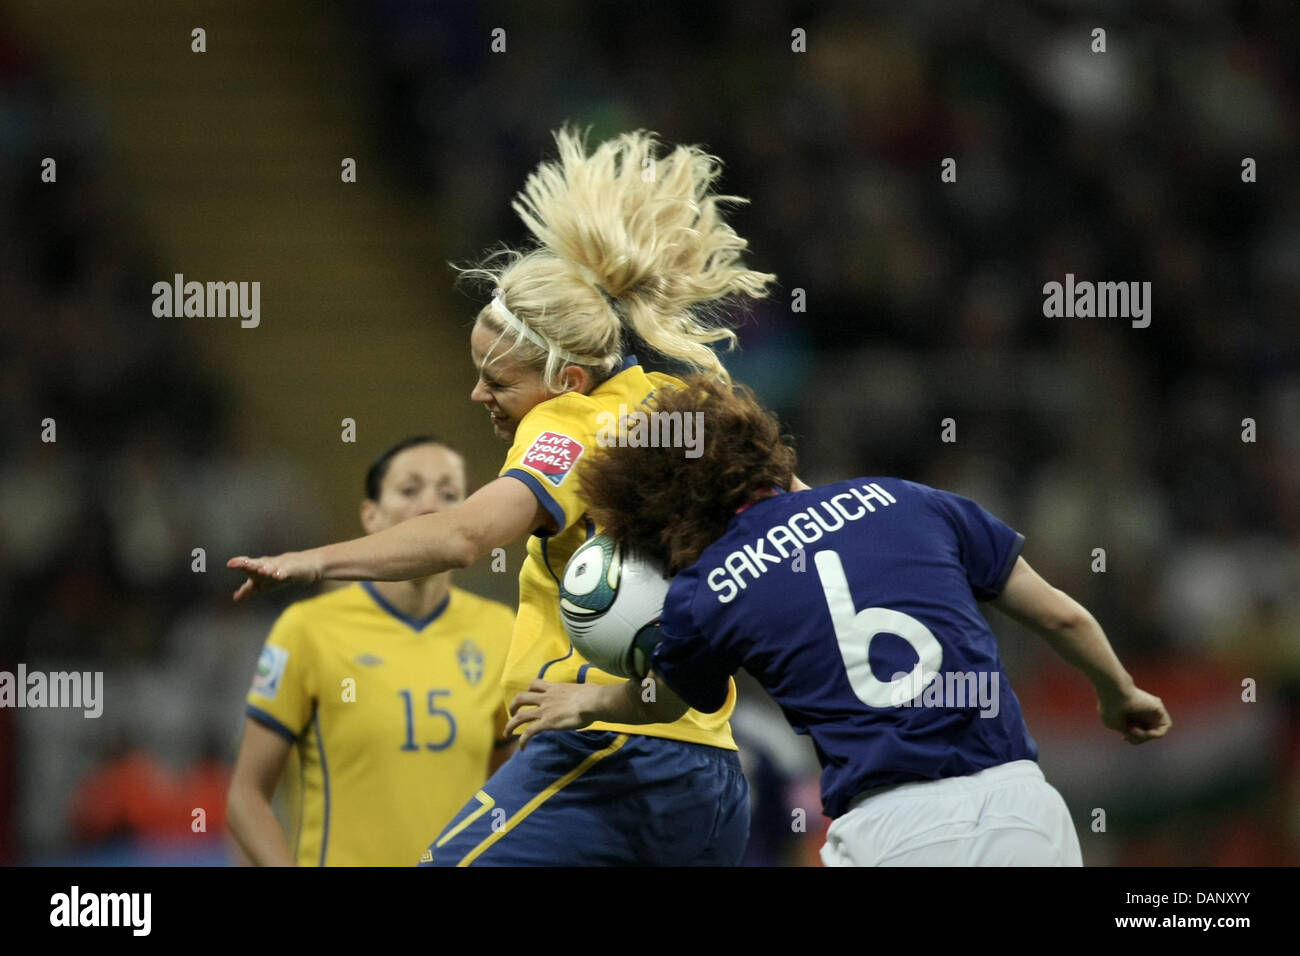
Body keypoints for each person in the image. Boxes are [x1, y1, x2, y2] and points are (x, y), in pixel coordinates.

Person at [229, 127, 791, 865]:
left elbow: (467, 535)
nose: (478, 394)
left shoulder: (570, 420)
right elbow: (791, 512)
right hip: (713, 774)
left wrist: (315, 561)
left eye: (497, 381)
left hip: (610, 757)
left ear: (567, 377)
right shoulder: (678, 404)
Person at [504, 377, 1174, 866]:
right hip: (1024, 806)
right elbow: (1060, 615)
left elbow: (661, 698)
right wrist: (1119, 693)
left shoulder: (706, 594)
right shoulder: (909, 500)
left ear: (658, 513)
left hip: (895, 829)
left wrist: (588, 698)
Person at [225, 436, 516, 866]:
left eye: (450, 494)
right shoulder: (308, 630)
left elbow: (505, 789)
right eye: (409, 490)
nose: (430, 505)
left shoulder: (501, 630)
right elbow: (245, 797)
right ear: (370, 515)